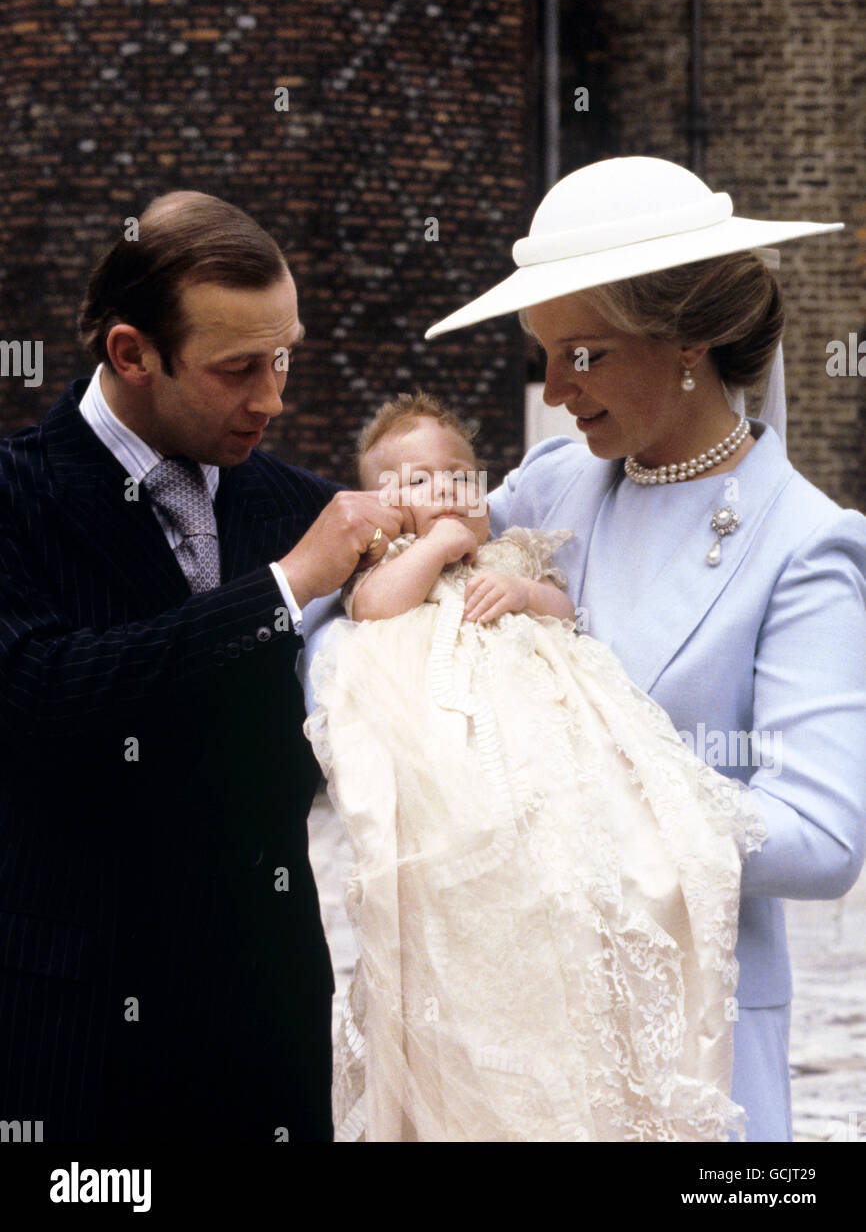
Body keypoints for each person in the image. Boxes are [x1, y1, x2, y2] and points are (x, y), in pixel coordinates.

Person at [423, 155, 866, 1141]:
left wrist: (603, 788)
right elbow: (412, 604)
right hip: (523, 1019)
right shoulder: (550, 485)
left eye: (578, 354)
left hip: (692, 1040)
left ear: (684, 344)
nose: (551, 388)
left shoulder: (805, 542)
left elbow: (827, 839)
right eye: (541, 353)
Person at [0, 190, 405, 1141]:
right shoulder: (15, 498)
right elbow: (45, 693)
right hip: (75, 1034)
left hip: (265, 1027)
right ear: (131, 353)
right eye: (239, 369)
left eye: (283, 357)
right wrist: (283, 588)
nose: (273, 396)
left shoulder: (297, 503)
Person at [304, 390, 767, 1143]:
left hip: (541, 735)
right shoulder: (388, 562)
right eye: (418, 481)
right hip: (444, 748)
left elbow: (564, 612)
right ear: (380, 503)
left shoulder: (510, 552)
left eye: (459, 474)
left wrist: (519, 589)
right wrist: (433, 548)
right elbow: (375, 610)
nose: (447, 491)